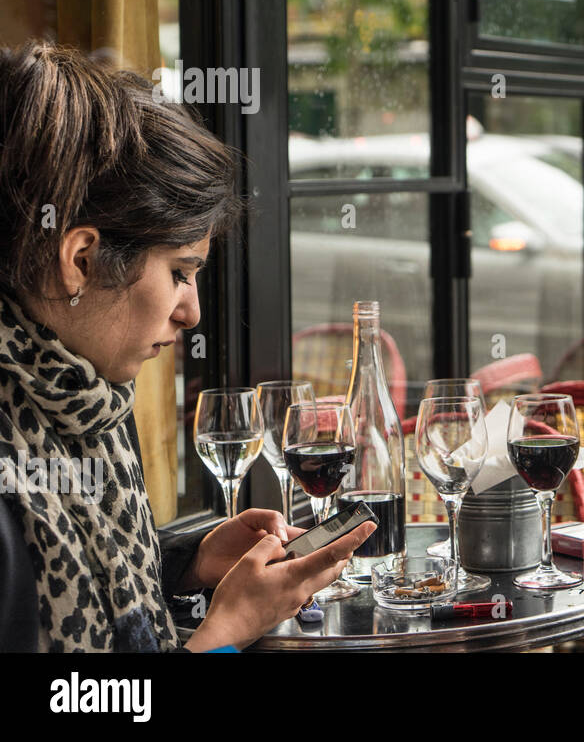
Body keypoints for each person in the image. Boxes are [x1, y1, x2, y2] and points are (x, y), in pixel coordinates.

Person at [0, 42, 375, 652]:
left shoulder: (77, 401)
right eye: (179, 272)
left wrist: (190, 564)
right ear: (81, 259)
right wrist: (225, 633)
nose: (192, 312)